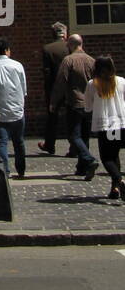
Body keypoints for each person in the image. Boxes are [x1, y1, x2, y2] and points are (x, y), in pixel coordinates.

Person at [49, 34, 97, 178]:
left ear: (69, 45)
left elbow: (61, 83)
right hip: (90, 103)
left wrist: (53, 102)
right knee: (85, 136)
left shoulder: (68, 60)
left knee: (74, 135)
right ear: (81, 44)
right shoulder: (92, 61)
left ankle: (88, 159)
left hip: (74, 102)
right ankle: (83, 168)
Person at [84, 56, 125, 199]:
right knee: (114, 155)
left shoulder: (92, 84)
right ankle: (115, 188)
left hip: (105, 125)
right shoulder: (121, 81)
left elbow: (87, 106)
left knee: (107, 158)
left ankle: (119, 180)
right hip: (119, 123)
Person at [0, 37, 27, 179]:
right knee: (19, 141)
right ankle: (21, 169)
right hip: (17, 108)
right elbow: (23, 87)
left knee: (1, 142)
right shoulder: (17, 65)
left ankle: (5, 170)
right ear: (7, 50)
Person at [39, 21, 70, 155]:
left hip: (53, 87)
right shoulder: (71, 47)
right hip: (70, 87)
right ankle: (74, 146)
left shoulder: (47, 49)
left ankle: (50, 144)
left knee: (52, 117)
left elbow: (47, 72)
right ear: (65, 33)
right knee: (72, 117)